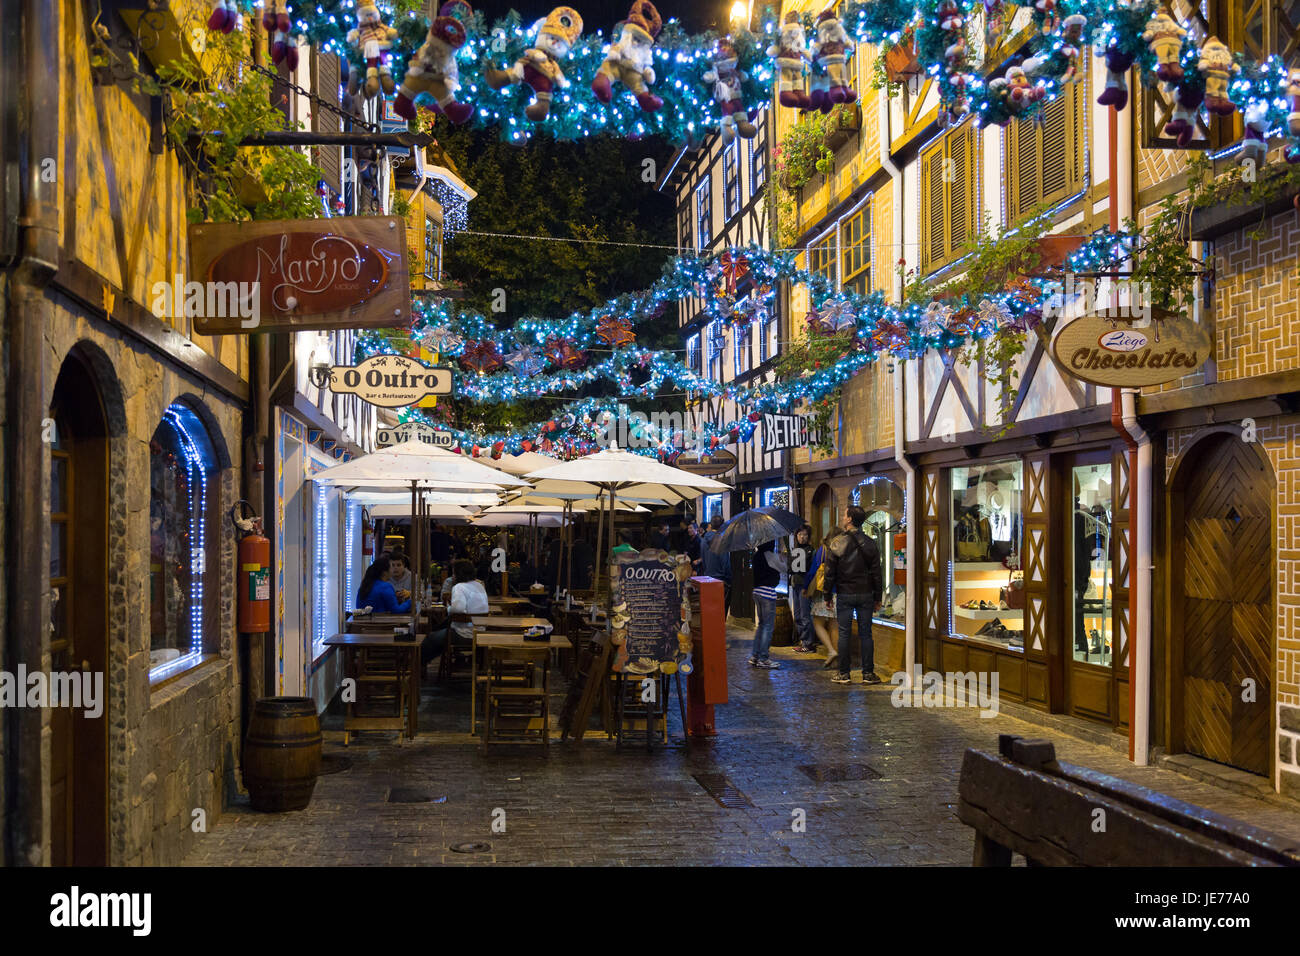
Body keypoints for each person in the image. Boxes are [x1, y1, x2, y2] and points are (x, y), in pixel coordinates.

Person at [823, 505, 883, 685]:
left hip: (845, 594)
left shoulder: (837, 542)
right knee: (866, 634)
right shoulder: (870, 543)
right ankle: (868, 674)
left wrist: (827, 595)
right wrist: (878, 597)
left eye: (844, 514)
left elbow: (829, 572)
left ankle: (844, 673)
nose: (842, 516)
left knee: (844, 634)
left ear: (849, 519)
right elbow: (876, 573)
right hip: (865, 594)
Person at [749, 539, 784, 669]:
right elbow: (780, 574)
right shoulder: (770, 556)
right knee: (768, 627)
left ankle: (755, 656)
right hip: (767, 593)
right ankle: (763, 658)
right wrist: (781, 560)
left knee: (761, 625)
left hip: (757, 592)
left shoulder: (756, 556)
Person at [807, 539, 839, 668]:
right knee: (834, 626)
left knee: (817, 623)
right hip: (840, 591)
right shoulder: (844, 548)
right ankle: (836, 662)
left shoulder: (824, 549)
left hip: (824, 591)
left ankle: (831, 651)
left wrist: (806, 587)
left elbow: (814, 570)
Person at [788, 524, 817, 653]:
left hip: (805, 586)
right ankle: (803, 640)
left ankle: (808, 643)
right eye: (800, 535)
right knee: (798, 615)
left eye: (805, 535)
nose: (802, 537)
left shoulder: (811, 551)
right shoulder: (794, 551)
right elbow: (790, 569)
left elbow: (811, 570)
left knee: (805, 615)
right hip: (795, 585)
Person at [700, 514, 733, 614]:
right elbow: (725, 562)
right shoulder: (721, 540)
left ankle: (713, 629)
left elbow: (704, 560)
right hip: (721, 581)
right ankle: (719, 629)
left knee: (711, 611)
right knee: (721, 611)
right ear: (722, 526)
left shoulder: (703, 540)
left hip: (708, 579)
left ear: (711, 525)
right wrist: (729, 580)